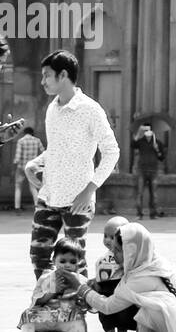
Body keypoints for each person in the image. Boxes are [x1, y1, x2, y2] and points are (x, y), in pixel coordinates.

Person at [25, 50, 120, 277]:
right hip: (49, 194)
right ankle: (49, 305)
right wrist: (34, 164)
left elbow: (111, 152)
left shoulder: (90, 110)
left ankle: (78, 309)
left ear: (63, 75)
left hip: (77, 199)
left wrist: (89, 191)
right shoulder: (52, 109)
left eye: (47, 76)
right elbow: (56, 150)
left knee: (74, 259)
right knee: (39, 254)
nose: (43, 82)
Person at [74, 222, 176, 332]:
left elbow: (108, 306)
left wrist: (81, 287)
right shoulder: (149, 261)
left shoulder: (141, 277)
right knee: (149, 305)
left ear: (131, 252)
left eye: (118, 250)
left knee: (151, 309)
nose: (113, 253)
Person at [18, 237, 88, 332]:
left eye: (72, 262)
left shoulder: (80, 280)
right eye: (63, 261)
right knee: (26, 314)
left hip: (67, 319)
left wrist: (80, 299)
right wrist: (52, 291)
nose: (67, 265)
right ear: (54, 260)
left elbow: (89, 303)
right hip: (46, 317)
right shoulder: (46, 278)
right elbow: (36, 302)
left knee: (79, 318)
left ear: (78, 263)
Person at [92, 215, 137, 332]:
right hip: (105, 290)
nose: (108, 240)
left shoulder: (126, 257)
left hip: (120, 290)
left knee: (122, 322)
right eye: (105, 236)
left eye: (112, 237)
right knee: (108, 321)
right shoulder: (103, 258)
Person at [130, 122, 165, 219]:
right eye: (145, 130)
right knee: (140, 192)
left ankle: (153, 214)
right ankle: (139, 214)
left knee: (154, 194)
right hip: (142, 170)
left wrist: (157, 150)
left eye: (148, 130)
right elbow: (132, 145)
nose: (147, 132)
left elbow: (162, 157)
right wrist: (138, 132)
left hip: (153, 170)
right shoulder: (141, 141)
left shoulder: (157, 143)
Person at [12, 126, 42, 211]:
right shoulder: (37, 140)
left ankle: (17, 207)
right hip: (32, 167)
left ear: (24, 133)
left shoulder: (21, 141)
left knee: (18, 187)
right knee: (33, 187)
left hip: (21, 167)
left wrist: (14, 168)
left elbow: (17, 157)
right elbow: (43, 152)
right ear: (32, 133)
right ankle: (37, 206)